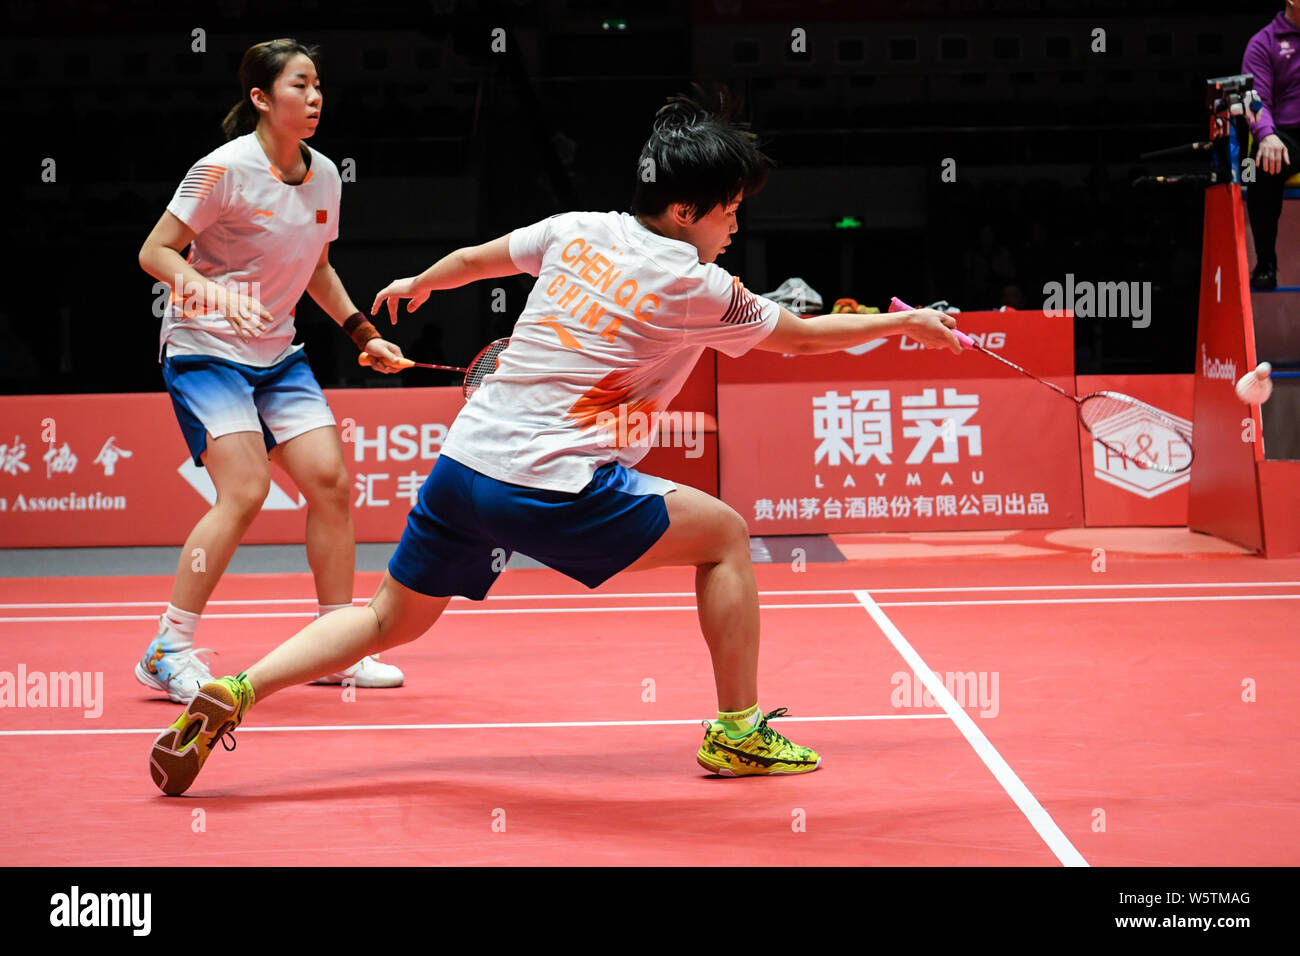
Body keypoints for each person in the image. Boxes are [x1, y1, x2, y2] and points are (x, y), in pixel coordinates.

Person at [148, 92, 961, 795]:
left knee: (387, 618)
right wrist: (910, 324)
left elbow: (477, 259)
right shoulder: (695, 284)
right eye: (728, 209)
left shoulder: (579, 229)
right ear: (685, 213)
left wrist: (419, 281)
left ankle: (237, 689)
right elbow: (802, 339)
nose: (734, 223)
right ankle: (738, 732)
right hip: (550, 484)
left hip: (463, 469)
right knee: (727, 539)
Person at [135, 38, 407, 704]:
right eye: (299, 86)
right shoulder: (220, 170)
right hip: (204, 347)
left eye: (318, 86)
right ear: (261, 98)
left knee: (331, 483)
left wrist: (362, 334)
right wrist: (218, 295)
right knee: (247, 489)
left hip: (276, 353)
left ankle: (334, 644)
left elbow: (315, 267)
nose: (314, 99)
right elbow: (154, 252)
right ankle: (168, 649)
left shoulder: (324, 177)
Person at [1244, 0, 1300, 290]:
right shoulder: (1263, 43)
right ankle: (1266, 263)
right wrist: (1266, 134)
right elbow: (1255, 99)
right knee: (1261, 165)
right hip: (1289, 134)